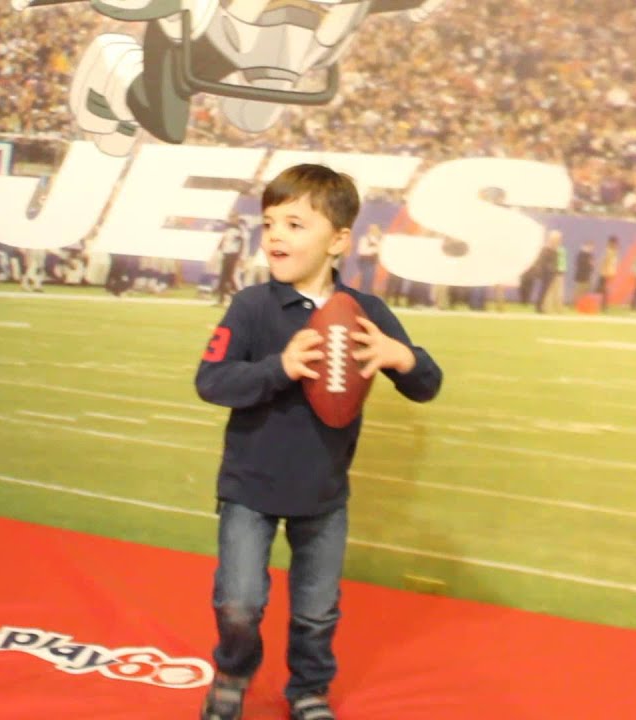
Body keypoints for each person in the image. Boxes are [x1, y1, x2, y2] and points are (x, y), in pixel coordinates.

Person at [194, 165, 443, 720]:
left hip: (323, 493)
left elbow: (427, 384)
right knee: (238, 603)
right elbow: (210, 380)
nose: (276, 235)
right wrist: (279, 368)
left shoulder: (365, 314)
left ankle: (309, 689)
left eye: (295, 223)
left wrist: (405, 360)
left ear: (337, 241)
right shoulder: (253, 307)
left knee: (316, 610)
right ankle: (233, 672)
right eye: (269, 223)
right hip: (249, 488)